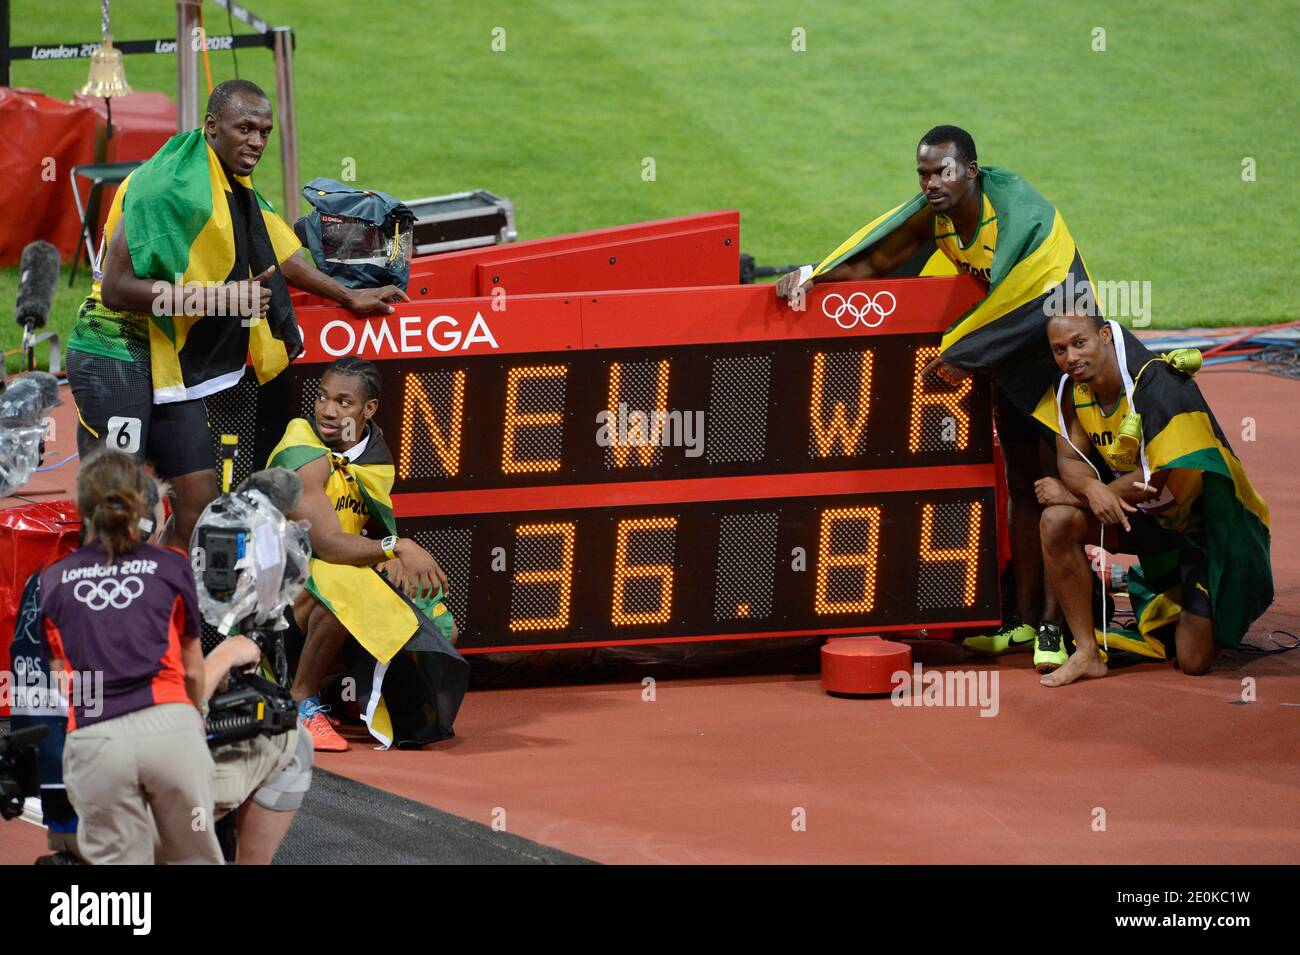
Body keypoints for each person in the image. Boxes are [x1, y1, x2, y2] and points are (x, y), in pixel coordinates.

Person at [775, 124, 1095, 659]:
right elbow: (872, 262)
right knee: (1019, 486)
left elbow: (1046, 298)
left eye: (941, 171)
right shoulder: (940, 214)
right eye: (922, 173)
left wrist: (965, 351)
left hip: (1055, 362)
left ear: (971, 169)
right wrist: (812, 275)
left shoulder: (1020, 215)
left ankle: (1053, 628)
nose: (930, 183)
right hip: (1006, 356)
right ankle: (1020, 616)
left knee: (1053, 487)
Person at [67, 78, 408, 550]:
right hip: (115, 355)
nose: (257, 142)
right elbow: (118, 290)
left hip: (170, 364)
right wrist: (221, 299)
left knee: (198, 504)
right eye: (245, 128)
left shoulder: (231, 180)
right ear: (211, 126)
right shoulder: (164, 186)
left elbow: (277, 254)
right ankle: (109, 611)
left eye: (265, 131)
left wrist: (347, 297)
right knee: (119, 507)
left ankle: (166, 601)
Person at [35, 450, 312, 863]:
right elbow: (192, 681)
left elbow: (65, 687)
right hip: (170, 743)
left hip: (93, 757)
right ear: (146, 516)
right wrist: (233, 653)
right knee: (294, 741)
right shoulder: (171, 567)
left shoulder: (51, 581)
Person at [1031, 311, 1272, 685]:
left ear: (1106, 336)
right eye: (1059, 349)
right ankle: (1087, 654)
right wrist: (1092, 490)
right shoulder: (1070, 390)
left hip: (1204, 530)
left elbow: (1152, 482)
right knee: (1055, 521)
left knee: (1193, 661)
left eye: (1080, 343)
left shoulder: (1159, 384)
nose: (1070, 357)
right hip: (1146, 519)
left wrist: (1081, 495)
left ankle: (1185, 592)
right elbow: (1070, 461)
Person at [267, 357, 468, 751]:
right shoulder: (301, 453)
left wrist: (389, 562)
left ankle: (337, 690)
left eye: (343, 402)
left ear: (368, 409)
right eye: (322, 397)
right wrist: (396, 548)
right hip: (279, 594)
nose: (327, 410)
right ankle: (299, 704)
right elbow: (327, 545)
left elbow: (371, 530)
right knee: (347, 586)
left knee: (438, 624)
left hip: (331, 577)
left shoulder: (373, 456)